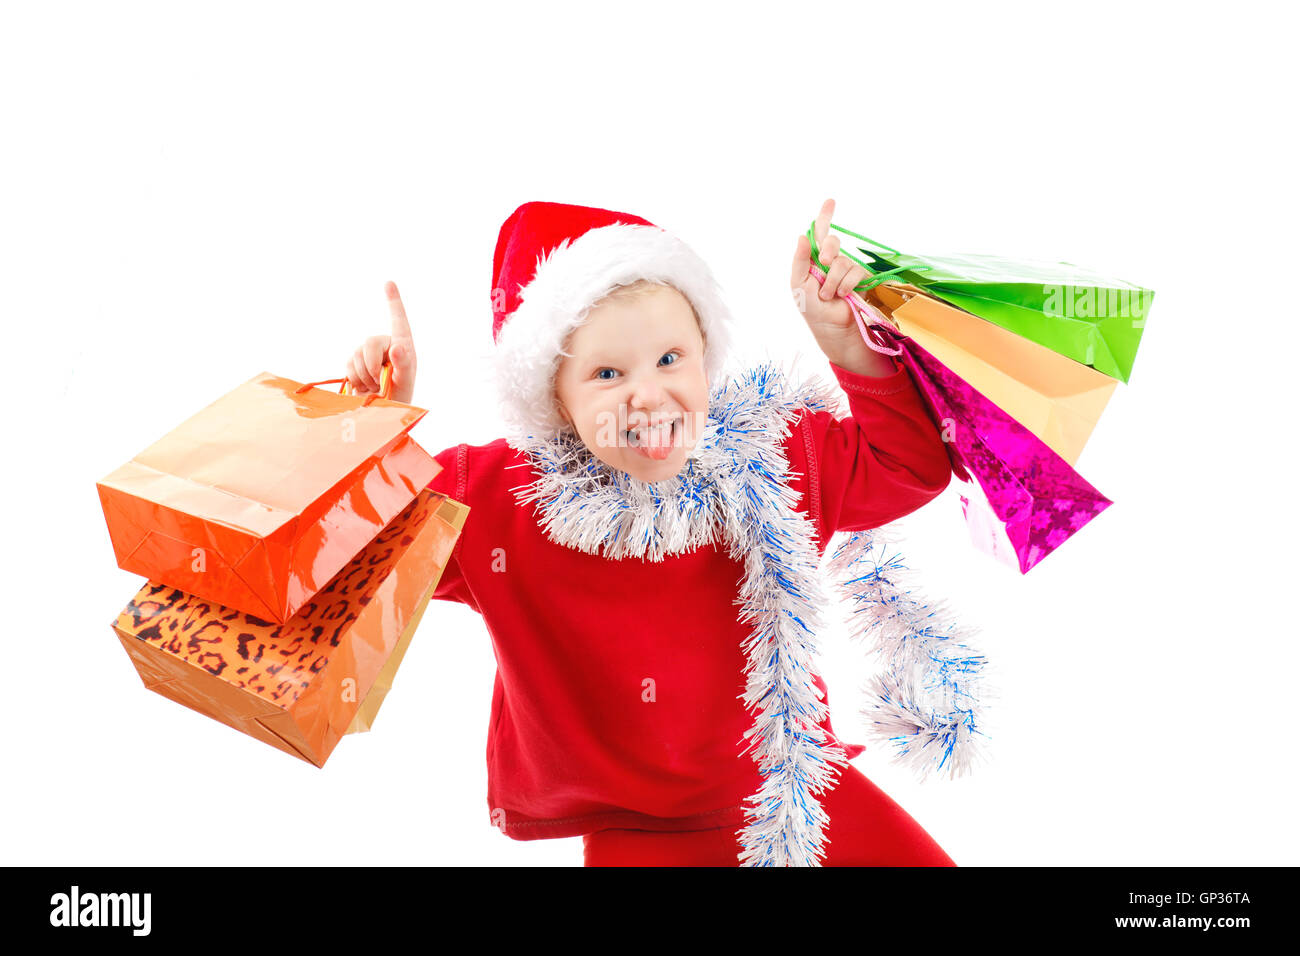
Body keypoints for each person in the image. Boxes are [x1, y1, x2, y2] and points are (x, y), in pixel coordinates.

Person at [343, 198, 957, 867]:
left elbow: (910, 466)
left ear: (705, 356)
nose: (649, 395)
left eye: (670, 359)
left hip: (798, 793)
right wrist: (378, 429)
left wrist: (847, 348)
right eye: (607, 374)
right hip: (638, 836)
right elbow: (366, 553)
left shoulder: (775, 459)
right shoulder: (498, 497)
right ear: (554, 398)